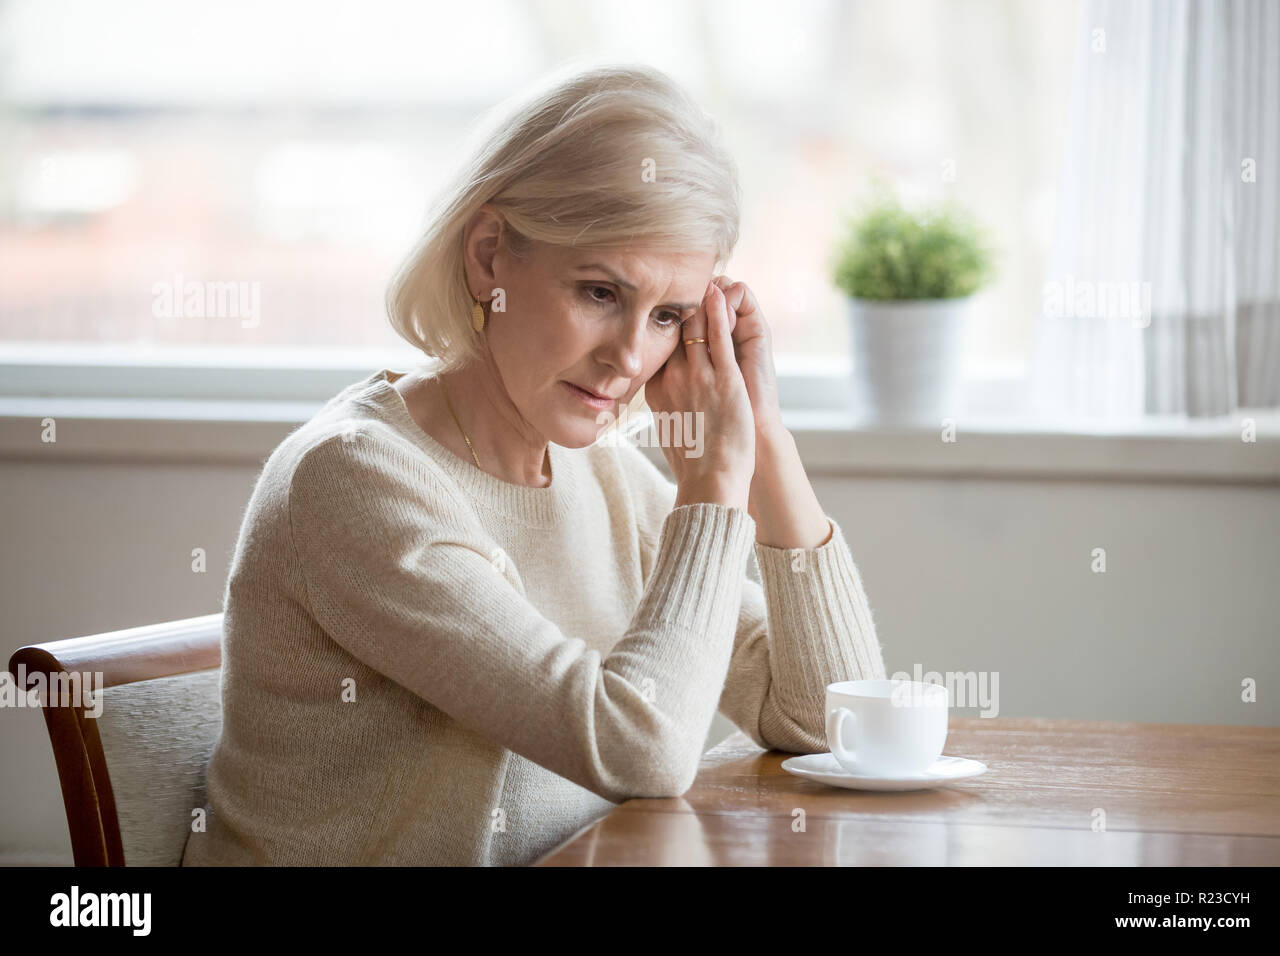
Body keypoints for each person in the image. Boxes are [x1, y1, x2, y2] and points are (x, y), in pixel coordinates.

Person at [182, 63, 887, 867]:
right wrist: (712, 488)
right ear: (489, 258)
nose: (629, 356)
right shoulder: (355, 480)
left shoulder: (602, 476)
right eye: (598, 292)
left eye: (667, 317)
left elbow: (832, 722)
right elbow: (640, 752)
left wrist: (763, 444)